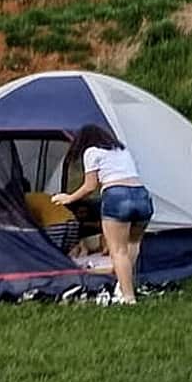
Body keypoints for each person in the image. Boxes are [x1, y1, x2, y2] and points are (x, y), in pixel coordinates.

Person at [52, 124, 153, 305]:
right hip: (142, 196)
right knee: (133, 244)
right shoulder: (121, 150)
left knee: (118, 251)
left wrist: (69, 198)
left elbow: (90, 186)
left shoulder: (91, 151)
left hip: (117, 197)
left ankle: (128, 298)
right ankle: (124, 287)